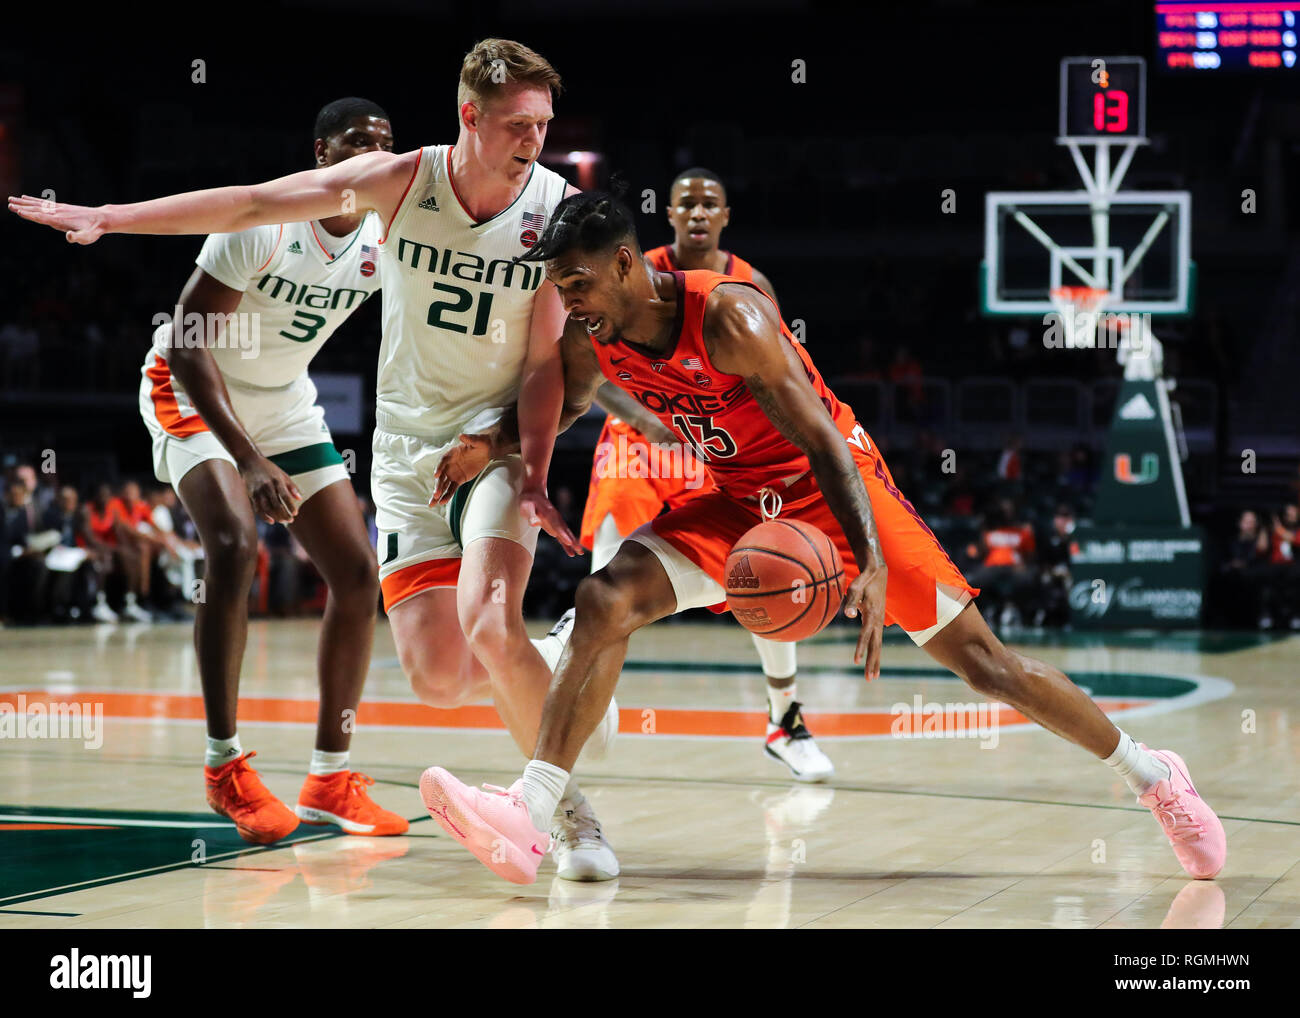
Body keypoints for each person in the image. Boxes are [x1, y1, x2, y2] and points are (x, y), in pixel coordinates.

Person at [418, 191, 1226, 887]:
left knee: (988, 666)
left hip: (836, 493)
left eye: (580, 281)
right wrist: (493, 446)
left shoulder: (730, 315)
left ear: (626, 263)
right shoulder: (594, 335)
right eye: (560, 286)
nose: (570, 298)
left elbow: (824, 442)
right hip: (740, 498)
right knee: (603, 599)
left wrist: (868, 559)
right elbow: (562, 408)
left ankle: (1153, 776)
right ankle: (530, 810)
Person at [10, 42, 620, 878]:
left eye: (544, 127)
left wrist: (536, 460)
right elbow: (249, 205)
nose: (534, 142)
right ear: (469, 117)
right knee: (416, 661)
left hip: (424, 428)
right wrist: (113, 216)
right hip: (302, 418)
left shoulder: (524, 213)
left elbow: (554, 359)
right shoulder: (387, 191)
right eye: (519, 125)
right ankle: (551, 668)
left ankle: (518, 803)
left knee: (434, 604)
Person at [580, 167, 831, 781]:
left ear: (724, 216)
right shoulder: (635, 270)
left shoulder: (749, 283)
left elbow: (779, 378)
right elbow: (589, 365)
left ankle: (784, 717)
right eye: (685, 203)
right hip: (643, 434)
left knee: (766, 566)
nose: (696, 213)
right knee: (610, 566)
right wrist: (642, 418)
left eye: (708, 204)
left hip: (715, 442)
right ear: (668, 213)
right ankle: (588, 695)